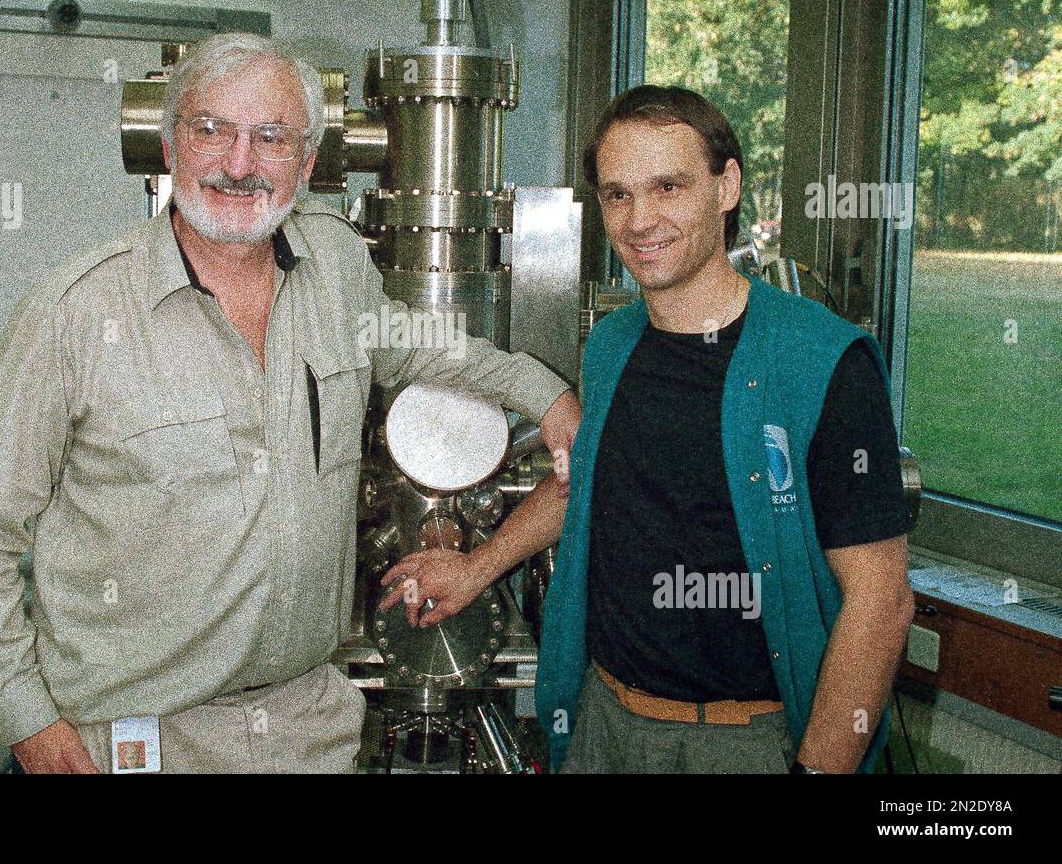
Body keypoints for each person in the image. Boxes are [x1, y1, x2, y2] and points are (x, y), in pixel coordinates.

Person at [0, 32, 580, 774]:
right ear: (172, 145)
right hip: (137, 737)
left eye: (271, 138)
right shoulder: (75, 313)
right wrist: (28, 720)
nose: (239, 165)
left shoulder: (335, 263)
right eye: (211, 130)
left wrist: (546, 392)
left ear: (306, 164)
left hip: (305, 727)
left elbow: (411, 341)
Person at [381, 85, 915, 774]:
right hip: (606, 720)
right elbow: (585, 477)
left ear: (727, 186)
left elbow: (882, 598)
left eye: (668, 186)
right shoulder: (612, 345)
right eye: (618, 194)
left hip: (748, 738)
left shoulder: (822, 361)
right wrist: (477, 568)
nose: (641, 219)